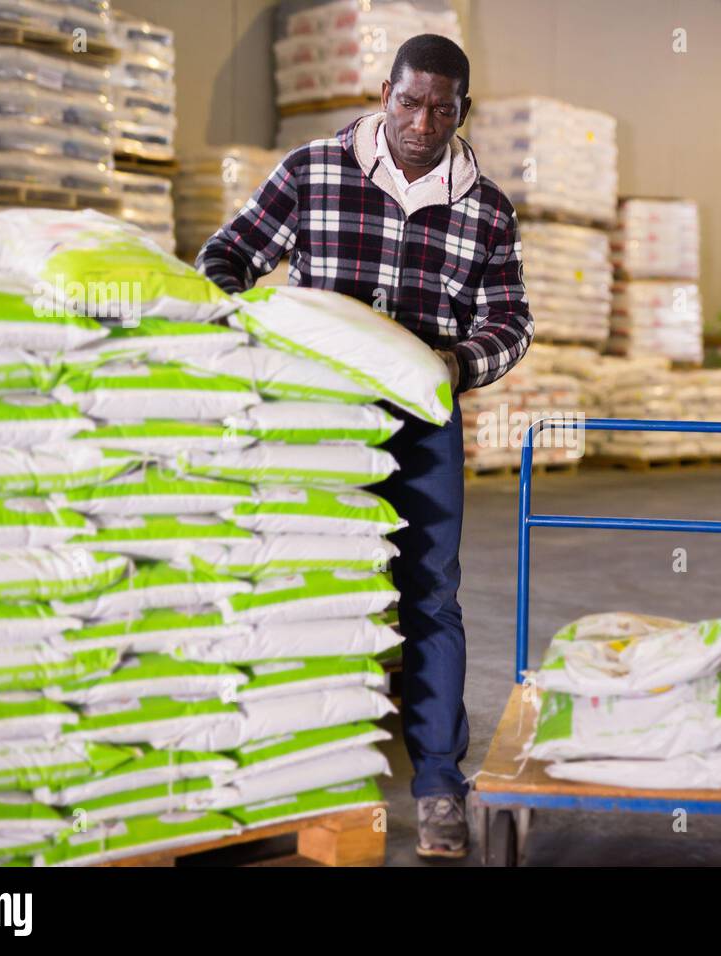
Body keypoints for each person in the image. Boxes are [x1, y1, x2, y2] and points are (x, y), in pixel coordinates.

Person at [196, 34, 533, 860]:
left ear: (463, 111)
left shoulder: (485, 207)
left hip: (422, 422)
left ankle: (439, 785)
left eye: (442, 109)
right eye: (409, 102)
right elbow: (228, 256)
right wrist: (238, 332)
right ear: (386, 92)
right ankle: (277, 778)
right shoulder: (315, 168)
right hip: (315, 423)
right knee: (294, 580)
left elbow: (512, 321)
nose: (422, 123)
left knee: (428, 595)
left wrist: (457, 363)